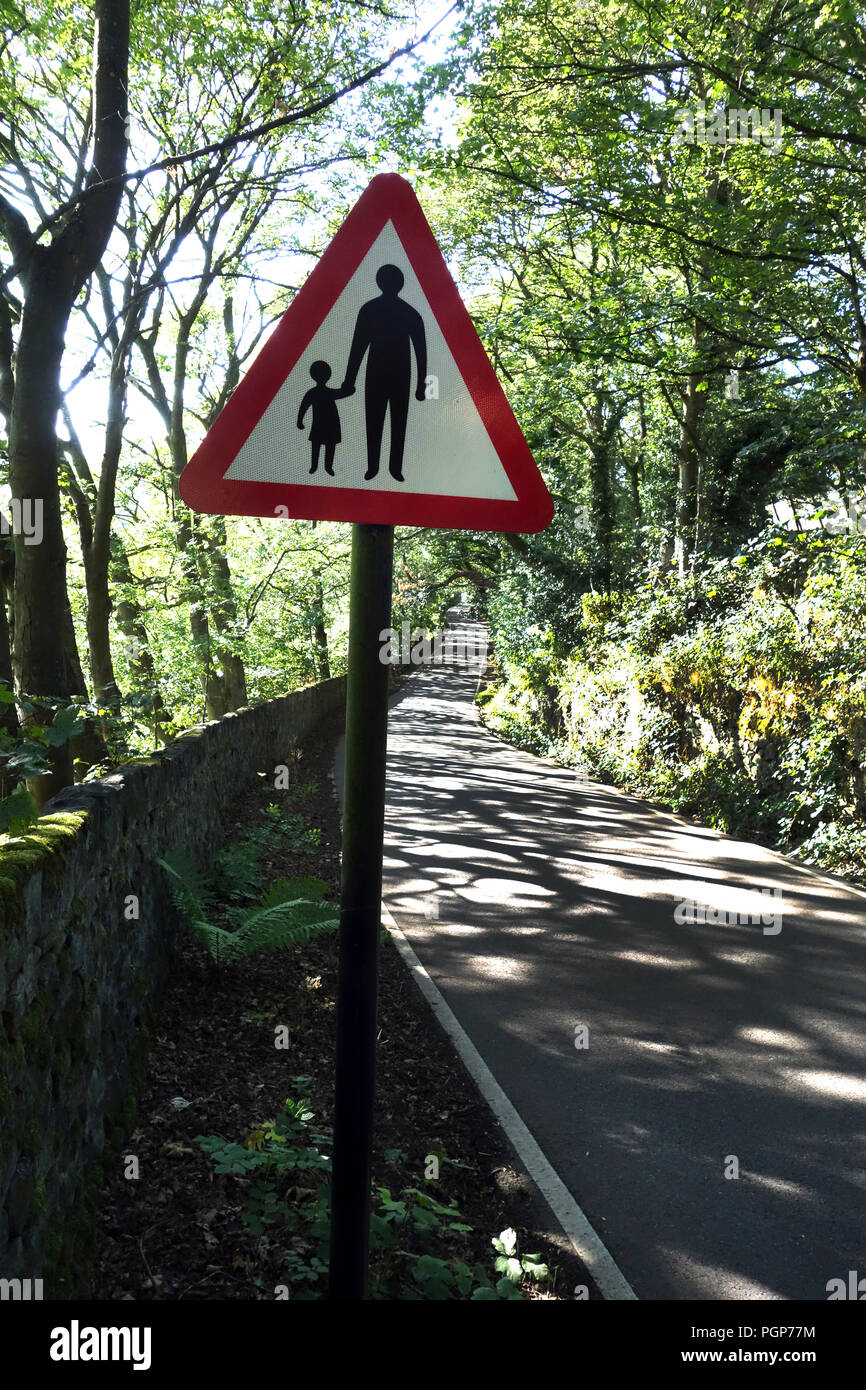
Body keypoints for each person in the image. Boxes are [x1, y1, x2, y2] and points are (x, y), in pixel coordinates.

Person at [340, 264, 427, 481]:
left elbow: (421, 352)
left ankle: (394, 469)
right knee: (375, 420)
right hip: (377, 375)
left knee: (397, 422)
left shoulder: (409, 313)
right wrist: (349, 380)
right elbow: (358, 347)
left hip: (399, 376)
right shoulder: (370, 311)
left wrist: (421, 385)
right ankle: (373, 468)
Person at [296, 360, 352, 475]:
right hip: (318, 423)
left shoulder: (328, 392)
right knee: (316, 445)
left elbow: (343, 393)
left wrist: (349, 388)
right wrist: (299, 420)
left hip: (332, 424)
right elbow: (304, 406)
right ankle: (314, 466)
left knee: (330, 446)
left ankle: (328, 467)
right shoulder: (312, 393)